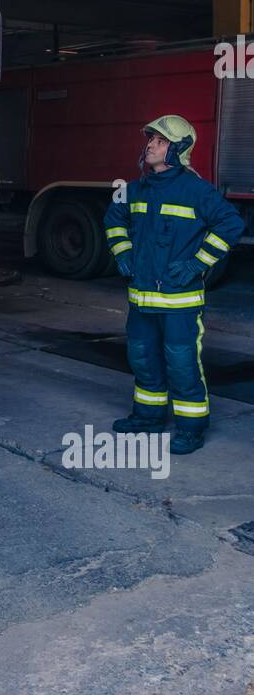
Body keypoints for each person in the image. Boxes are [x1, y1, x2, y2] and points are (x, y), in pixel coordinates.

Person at [104, 114, 244, 455]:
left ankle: (191, 428)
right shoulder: (134, 189)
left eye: (160, 141)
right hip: (141, 300)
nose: (150, 145)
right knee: (142, 358)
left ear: (178, 149)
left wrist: (198, 263)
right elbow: (113, 219)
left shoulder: (196, 191)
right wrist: (122, 253)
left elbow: (231, 224)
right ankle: (148, 417)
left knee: (181, 363)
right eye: (150, 139)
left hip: (180, 303)